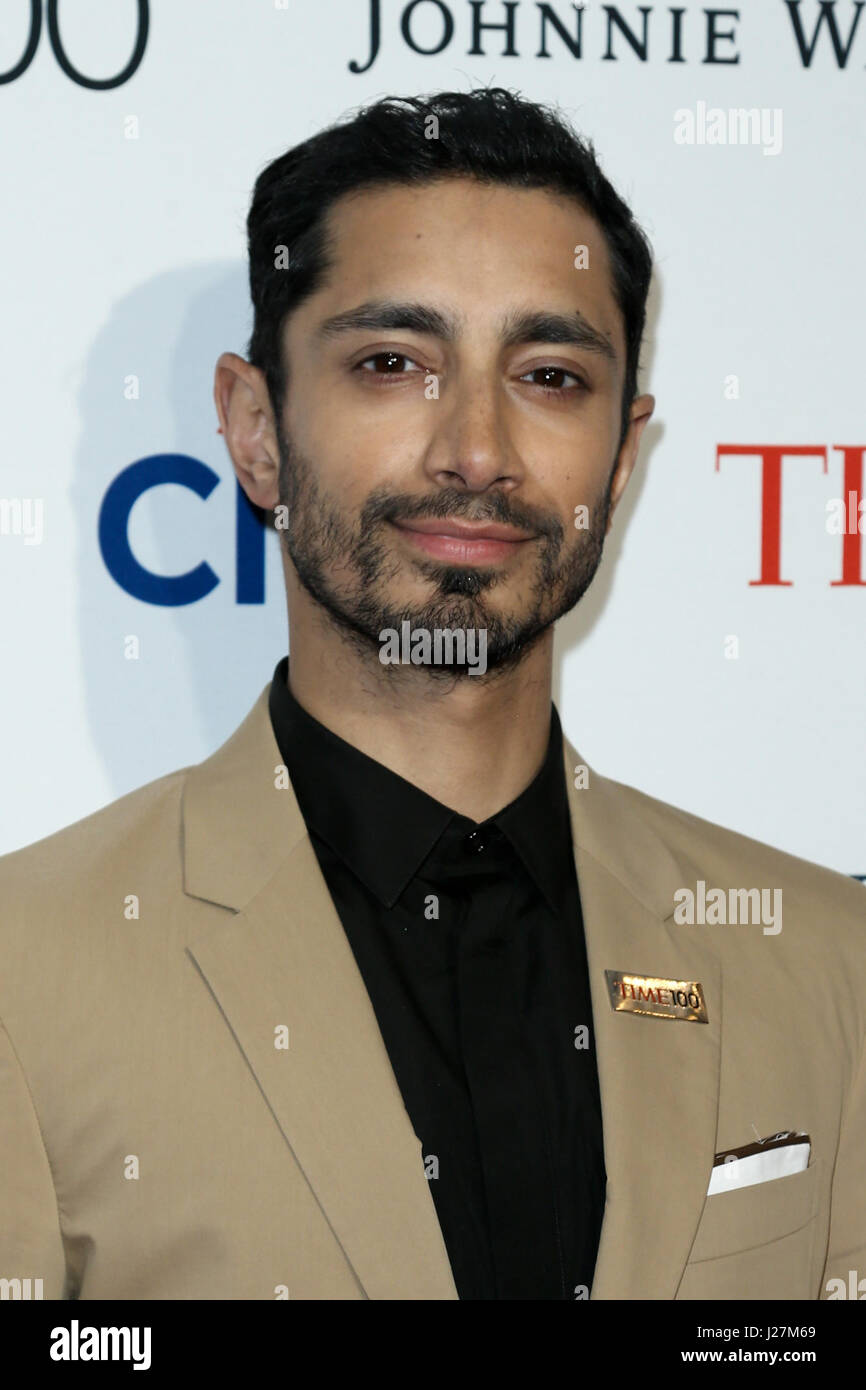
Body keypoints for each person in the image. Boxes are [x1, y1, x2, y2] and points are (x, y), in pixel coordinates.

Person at [0, 88, 862, 1301]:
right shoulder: (24, 970)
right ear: (255, 430)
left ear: (620, 458)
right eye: (392, 362)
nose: (474, 447)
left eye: (549, 374)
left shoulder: (826, 962)